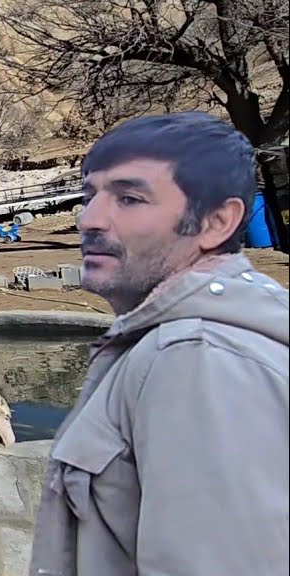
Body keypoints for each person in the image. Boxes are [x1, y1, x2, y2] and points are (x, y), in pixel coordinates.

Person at [29, 111, 288, 576]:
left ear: (216, 221)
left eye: (129, 198)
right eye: (89, 196)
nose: (89, 219)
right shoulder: (176, 343)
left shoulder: (198, 359)